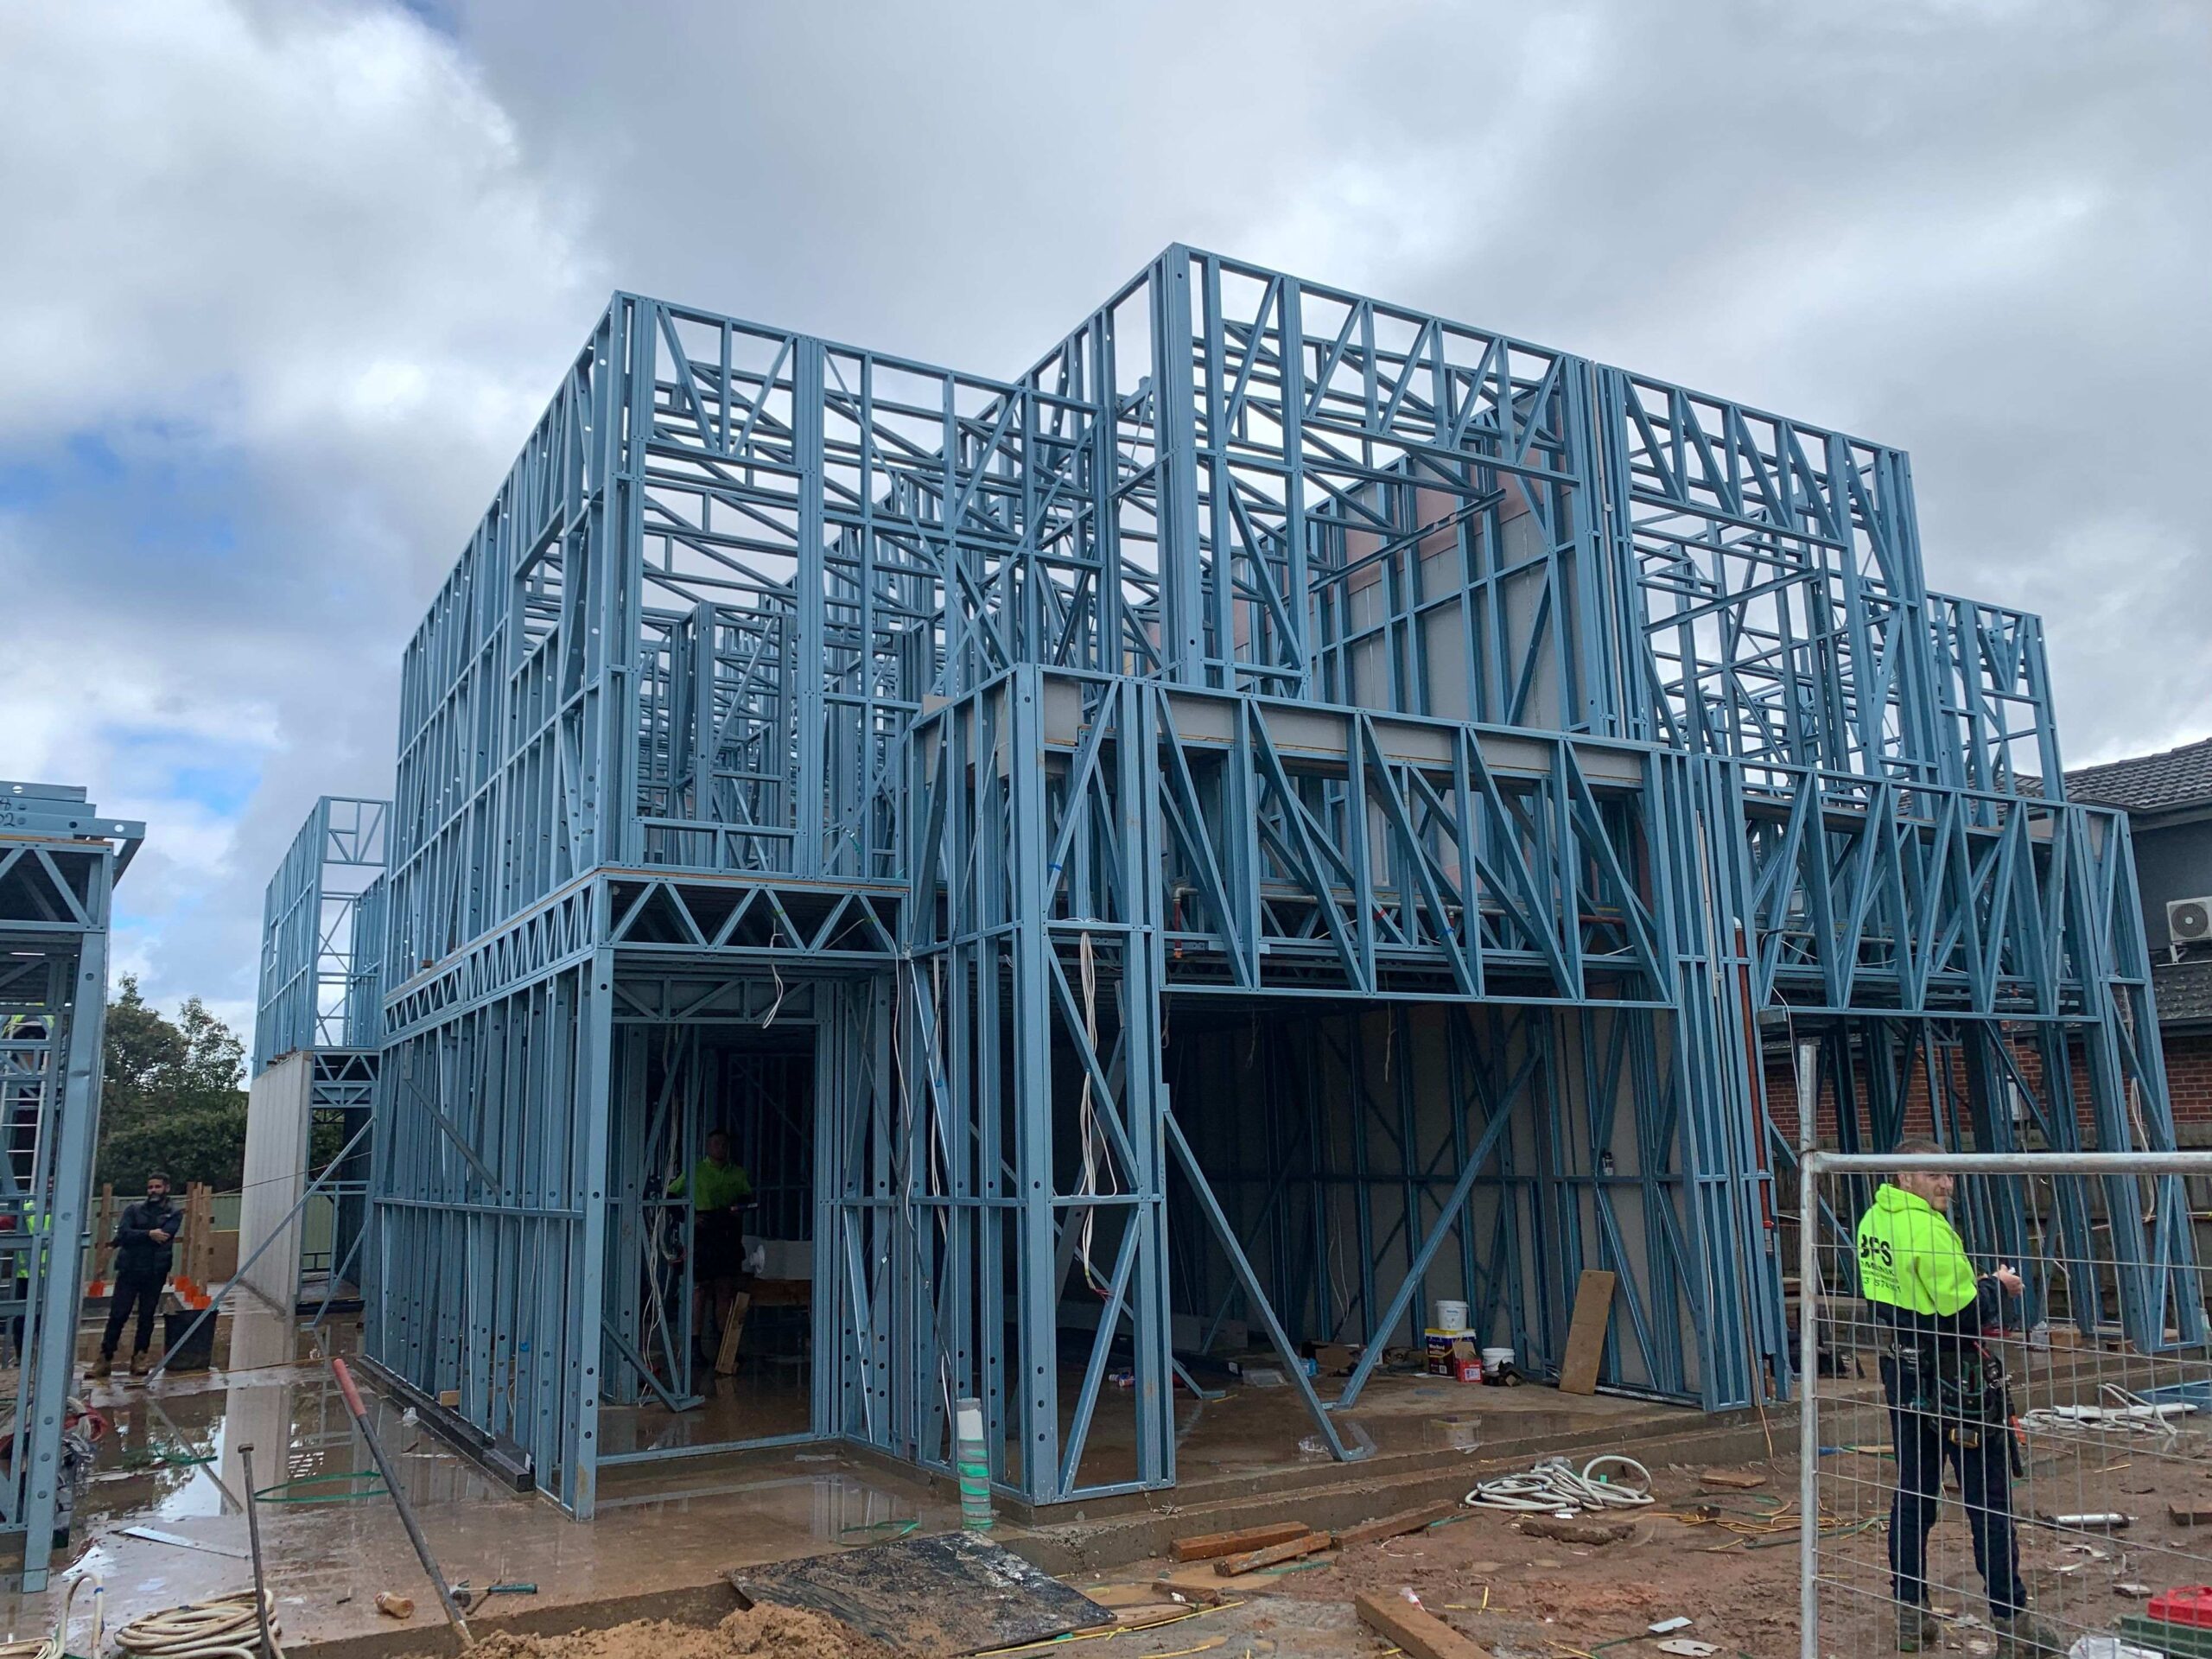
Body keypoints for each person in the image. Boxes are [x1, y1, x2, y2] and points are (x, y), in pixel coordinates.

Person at [1856, 1141, 2056, 1657]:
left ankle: (1910, 1614)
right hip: (1956, 1379)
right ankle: (2013, 1626)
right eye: (1932, 1176)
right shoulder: (1928, 1228)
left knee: (1915, 1492)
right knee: (1987, 1501)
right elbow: (1963, 1313)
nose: (1945, 1184)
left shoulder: (1873, 1223)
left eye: (1949, 1175)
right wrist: (1998, 1285)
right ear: (1904, 1177)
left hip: (1902, 1371)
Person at [671, 1130, 753, 1363]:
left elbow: (748, 1197)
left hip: (727, 1231)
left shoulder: (737, 1173)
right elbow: (671, 1195)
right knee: (700, 1290)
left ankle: (725, 1347)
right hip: (704, 1232)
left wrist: (739, 1210)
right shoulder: (695, 1170)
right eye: (716, 1143)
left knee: (725, 1290)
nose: (720, 1148)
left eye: (724, 1144)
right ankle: (695, 1346)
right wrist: (688, 1218)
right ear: (708, 1146)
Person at [90, 1171, 181, 1380]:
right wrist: (149, 1234)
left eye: (157, 1187)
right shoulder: (133, 1209)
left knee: (147, 1316)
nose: (153, 1191)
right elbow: (123, 1234)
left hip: (155, 1272)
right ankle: (104, 1358)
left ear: (166, 1188)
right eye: (150, 1187)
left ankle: (140, 1357)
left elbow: (166, 1236)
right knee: (118, 1315)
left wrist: (137, 1235)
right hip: (129, 1270)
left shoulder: (173, 1213)